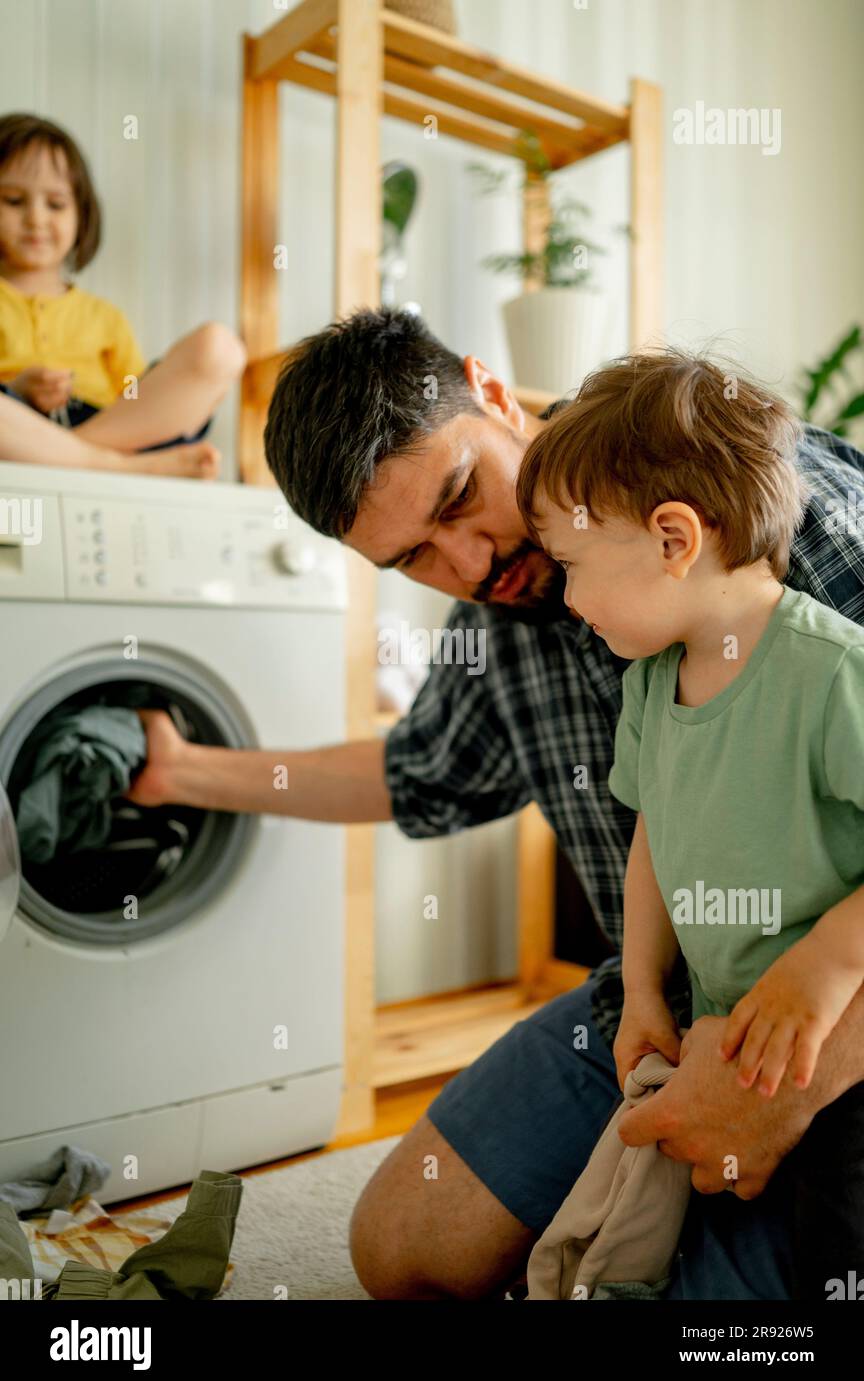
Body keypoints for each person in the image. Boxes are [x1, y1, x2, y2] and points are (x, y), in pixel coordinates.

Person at [129, 307, 864, 1300]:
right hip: (656, 1005)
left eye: (461, 496)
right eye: (415, 560)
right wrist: (185, 771)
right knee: (401, 1248)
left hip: (827, 1017)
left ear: (491, 386)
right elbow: (412, 770)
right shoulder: (509, 620)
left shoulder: (769, 505)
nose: (470, 566)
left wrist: (795, 1082)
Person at [516, 350, 864, 1300]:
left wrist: (828, 965)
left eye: (574, 565)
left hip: (837, 1065)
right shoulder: (648, 685)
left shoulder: (830, 671)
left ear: (674, 537)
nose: (568, 597)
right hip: (723, 1037)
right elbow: (652, 840)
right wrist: (638, 990)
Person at [0, 112, 246, 477]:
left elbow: (137, 398)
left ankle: (80, 457)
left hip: (109, 427)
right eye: (14, 200)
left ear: (82, 215)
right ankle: (116, 467)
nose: (36, 218)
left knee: (221, 348)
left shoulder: (104, 317)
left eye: (55, 204)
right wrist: (16, 388)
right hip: (14, 423)